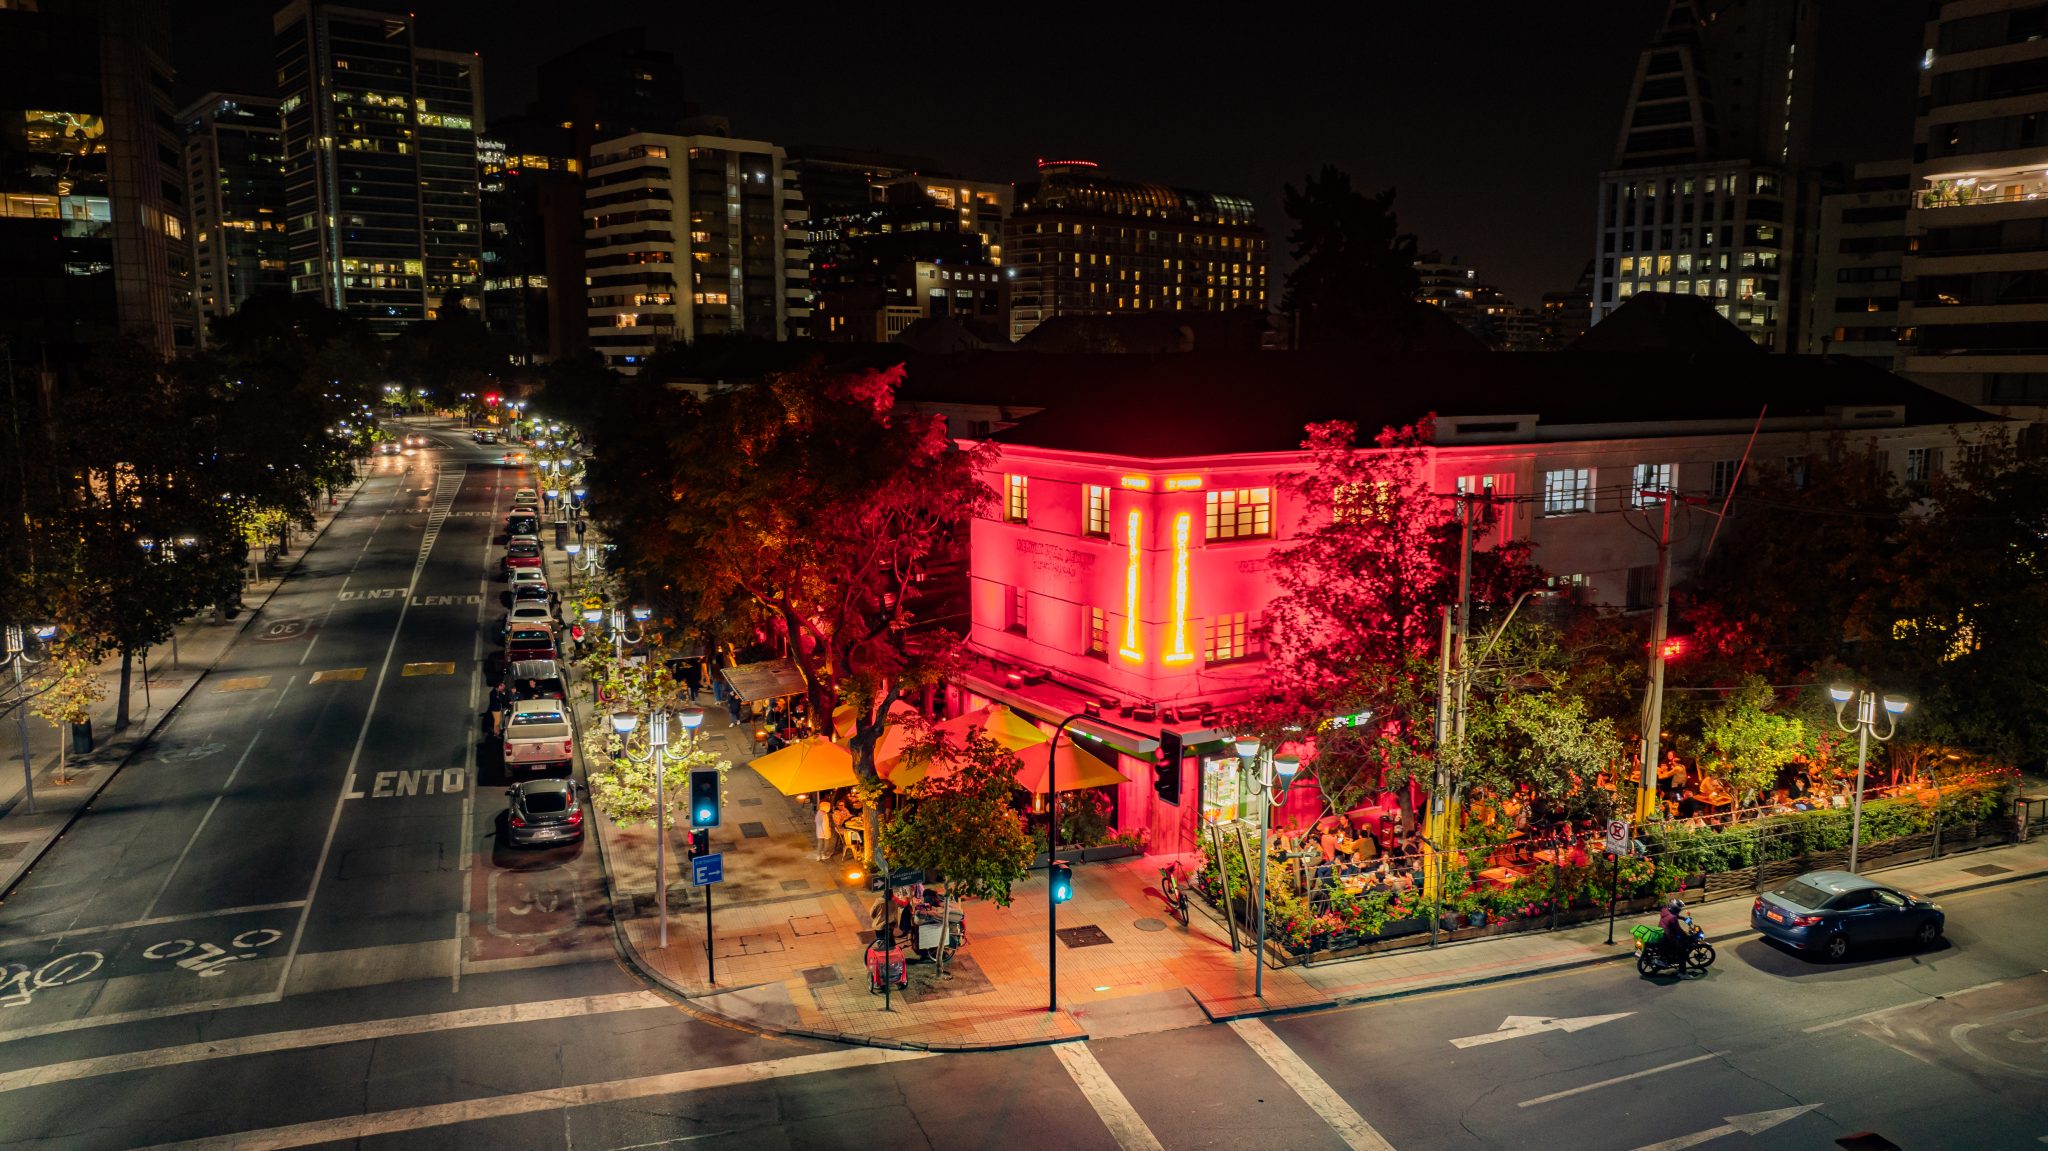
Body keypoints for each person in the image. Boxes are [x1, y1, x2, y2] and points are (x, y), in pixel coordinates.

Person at [1657, 898, 1690, 967]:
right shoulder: (1673, 918)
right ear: (1676, 909)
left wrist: (1684, 918)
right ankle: (1682, 973)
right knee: (1682, 952)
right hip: (1667, 936)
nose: (1680, 910)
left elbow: (1672, 914)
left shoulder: (1664, 910)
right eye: (1680, 908)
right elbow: (1678, 930)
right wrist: (1686, 934)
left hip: (1661, 931)